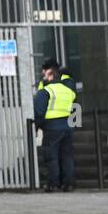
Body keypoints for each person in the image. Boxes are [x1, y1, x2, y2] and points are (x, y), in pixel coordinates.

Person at [35, 58, 78, 192]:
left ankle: (52, 184)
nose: (43, 77)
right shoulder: (67, 90)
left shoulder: (46, 91)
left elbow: (39, 111)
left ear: (51, 75)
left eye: (45, 74)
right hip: (67, 126)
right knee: (67, 156)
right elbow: (74, 105)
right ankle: (69, 184)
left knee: (51, 156)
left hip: (52, 127)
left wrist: (38, 126)